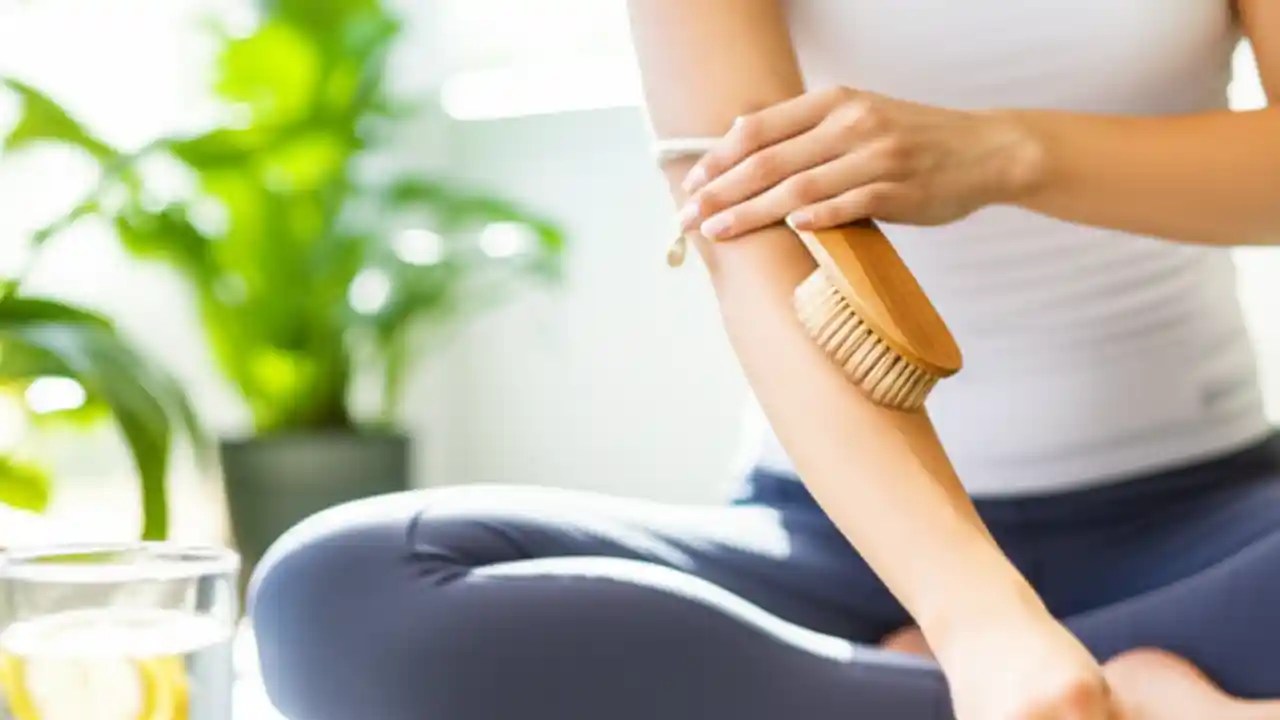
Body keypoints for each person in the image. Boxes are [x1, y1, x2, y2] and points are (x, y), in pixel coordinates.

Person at [250, 2, 1280, 718]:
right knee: (337, 594)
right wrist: (977, 625)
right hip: (840, 549)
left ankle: (985, 693)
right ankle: (1129, 699)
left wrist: (1008, 152)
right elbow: (753, 242)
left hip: (1211, 525)